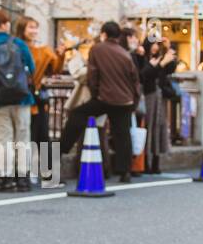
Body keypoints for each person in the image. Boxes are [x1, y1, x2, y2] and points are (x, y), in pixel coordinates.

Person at [59, 21, 139, 183]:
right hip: (125, 101)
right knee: (122, 134)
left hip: (105, 98)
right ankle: (125, 172)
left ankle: (60, 151)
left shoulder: (97, 49)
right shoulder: (125, 54)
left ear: (104, 34)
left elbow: (93, 75)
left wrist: (96, 94)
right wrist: (133, 101)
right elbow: (135, 81)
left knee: (77, 115)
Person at [0, 9, 34, 193]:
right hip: (21, 97)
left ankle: (5, 177)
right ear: (3, 24)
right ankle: (23, 178)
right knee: (23, 137)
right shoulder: (18, 43)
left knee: (3, 139)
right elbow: (31, 67)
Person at [19, 15, 60, 183]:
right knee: (27, 136)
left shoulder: (43, 50)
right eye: (30, 27)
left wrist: (59, 55)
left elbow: (54, 68)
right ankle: (26, 172)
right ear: (22, 29)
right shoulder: (19, 47)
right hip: (24, 97)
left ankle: (48, 172)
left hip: (36, 98)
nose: (34, 30)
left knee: (42, 135)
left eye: (36, 27)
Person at [138, 35, 178, 174]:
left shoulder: (161, 57)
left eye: (157, 43)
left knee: (159, 128)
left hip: (159, 97)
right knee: (148, 128)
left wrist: (168, 47)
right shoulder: (142, 58)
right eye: (153, 43)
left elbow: (172, 67)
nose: (156, 46)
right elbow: (143, 76)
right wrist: (159, 64)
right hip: (147, 97)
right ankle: (145, 162)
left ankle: (156, 161)